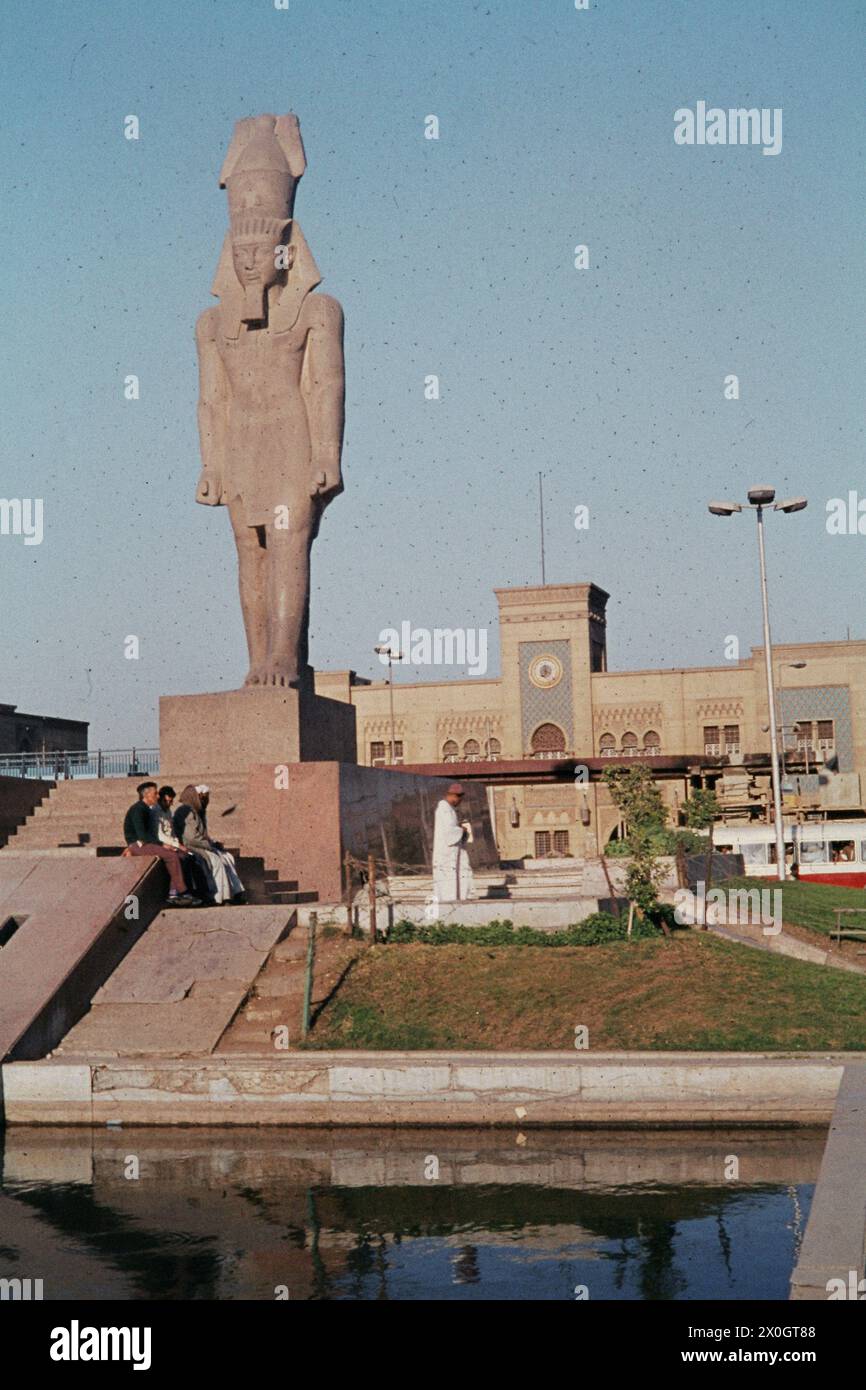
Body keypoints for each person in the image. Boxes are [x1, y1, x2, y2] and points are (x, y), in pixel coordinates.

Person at [122, 782, 199, 907]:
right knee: (171, 855)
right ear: (146, 795)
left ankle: (175, 892)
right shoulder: (138, 809)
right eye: (155, 793)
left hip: (145, 843)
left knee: (181, 855)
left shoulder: (145, 809)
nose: (158, 796)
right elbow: (142, 836)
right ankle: (181, 891)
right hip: (138, 845)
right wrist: (162, 845)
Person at [173, 784, 245, 905]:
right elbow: (191, 838)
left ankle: (236, 892)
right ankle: (218, 897)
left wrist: (213, 843)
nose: (205, 800)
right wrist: (209, 845)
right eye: (202, 797)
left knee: (227, 857)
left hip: (201, 844)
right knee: (215, 861)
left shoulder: (198, 811)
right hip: (191, 846)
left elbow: (202, 835)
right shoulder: (186, 811)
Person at [431, 782, 475, 904]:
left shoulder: (448, 809)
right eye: (459, 797)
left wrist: (459, 828)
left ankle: (457, 898)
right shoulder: (444, 809)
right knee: (449, 879)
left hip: (451, 852)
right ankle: (452, 901)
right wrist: (462, 830)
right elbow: (449, 832)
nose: (460, 800)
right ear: (453, 796)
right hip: (447, 853)